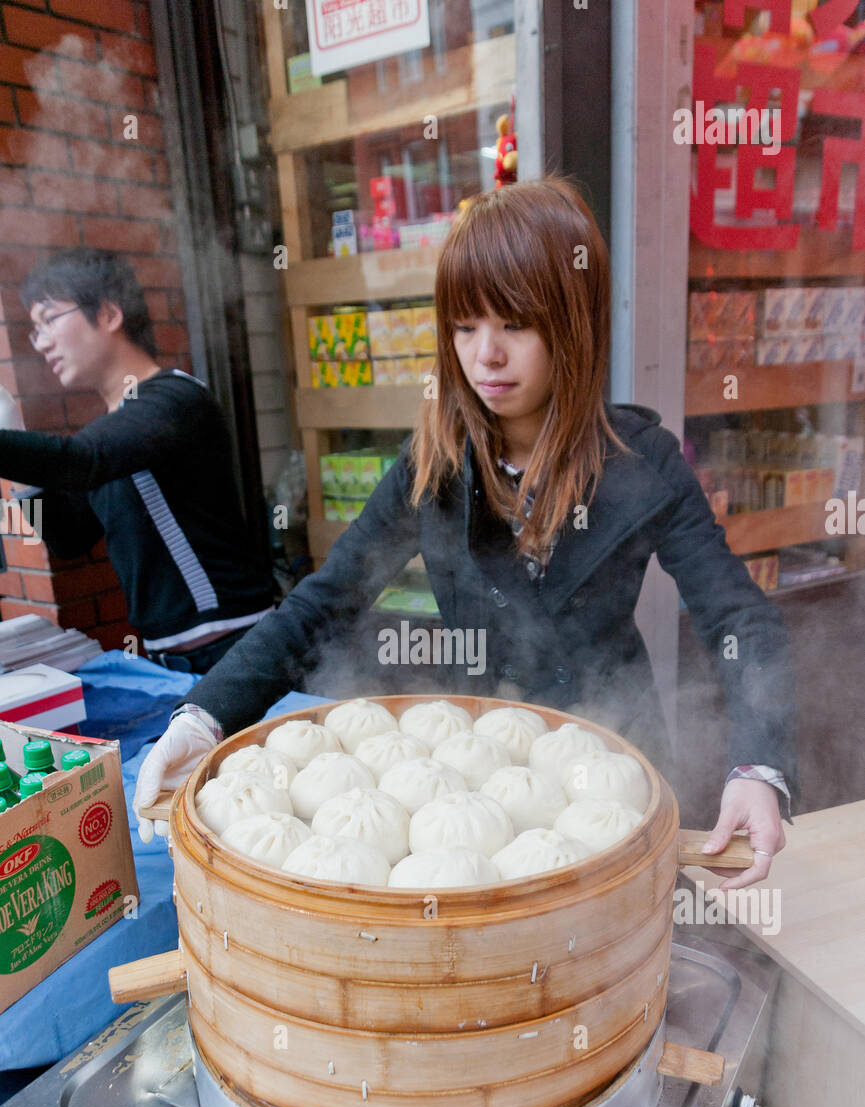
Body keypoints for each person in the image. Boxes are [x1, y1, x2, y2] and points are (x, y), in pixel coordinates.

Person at [133, 177, 796, 887]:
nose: (486, 356)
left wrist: (758, 767)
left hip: (612, 767)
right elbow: (322, 603)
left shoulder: (639, 462)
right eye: (464, 325)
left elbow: (738, 618)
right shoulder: (433, 466)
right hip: (469, 784)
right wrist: (203, 717)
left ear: (573, 324)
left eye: (515, 324)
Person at [0, 248, 274, 674]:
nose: (42, 343)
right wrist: (19, 476)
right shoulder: (111, 432)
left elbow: (83, 459)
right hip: (169, 661)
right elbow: (68, 538)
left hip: (239, 652)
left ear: (109, 314)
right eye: (34, 331)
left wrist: (9, 444)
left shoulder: (175, 399)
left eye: (49, 320)